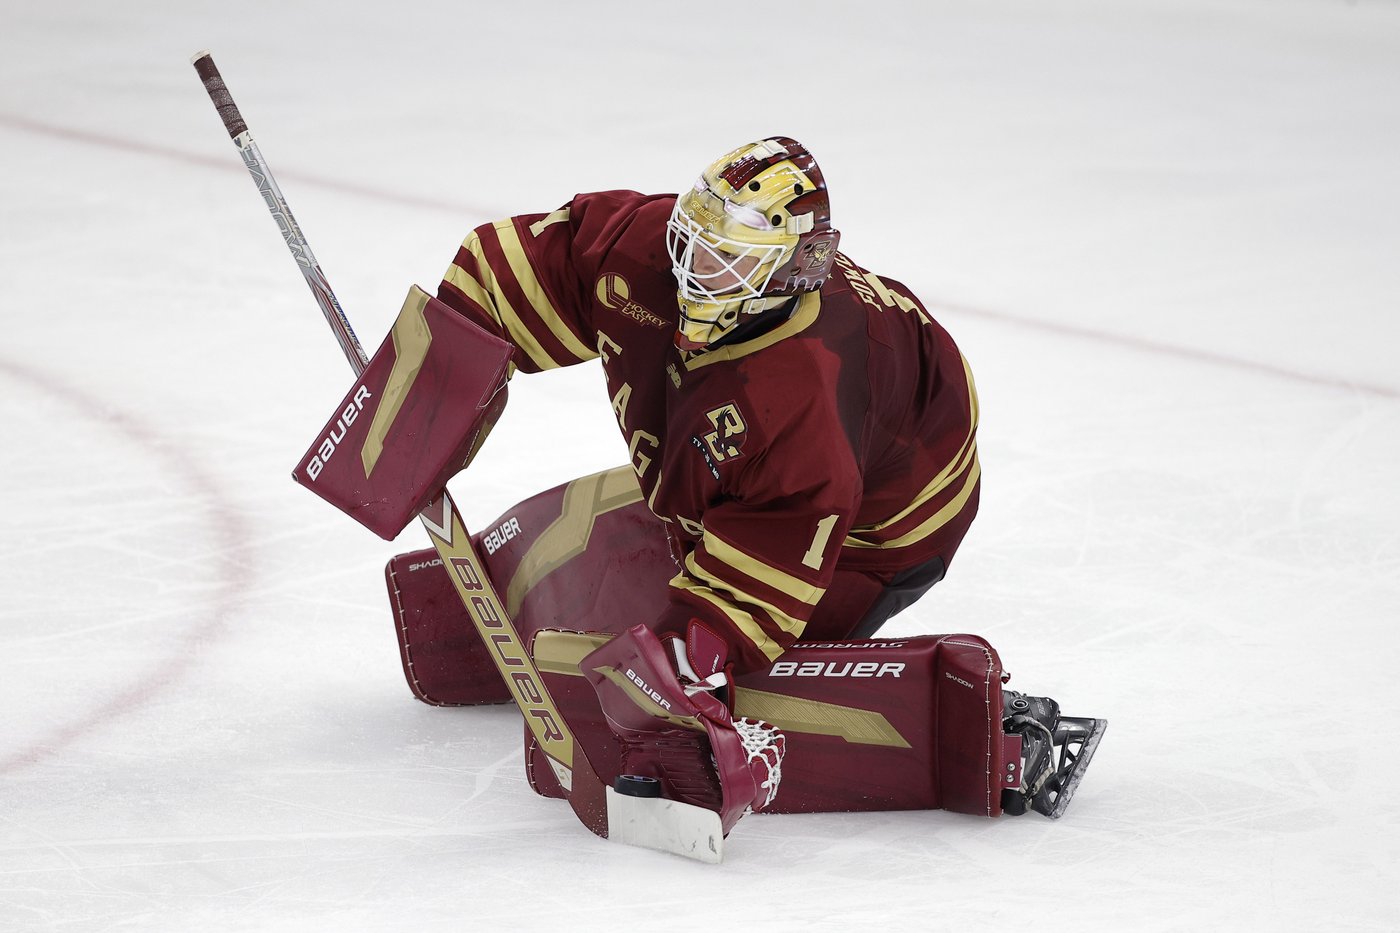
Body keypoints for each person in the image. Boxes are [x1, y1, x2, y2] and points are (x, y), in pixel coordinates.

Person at [434, 137, 983, 835]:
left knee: (703, 650)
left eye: (727, 263)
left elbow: (764, 560)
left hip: (880, 527)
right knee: (654, 567)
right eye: (694, 245)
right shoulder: (645, 249)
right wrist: (444, 365)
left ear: (792, 273)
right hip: (784, 463)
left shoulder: (806, 400)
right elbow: (528, 264)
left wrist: (689, 659)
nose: (695, 272)